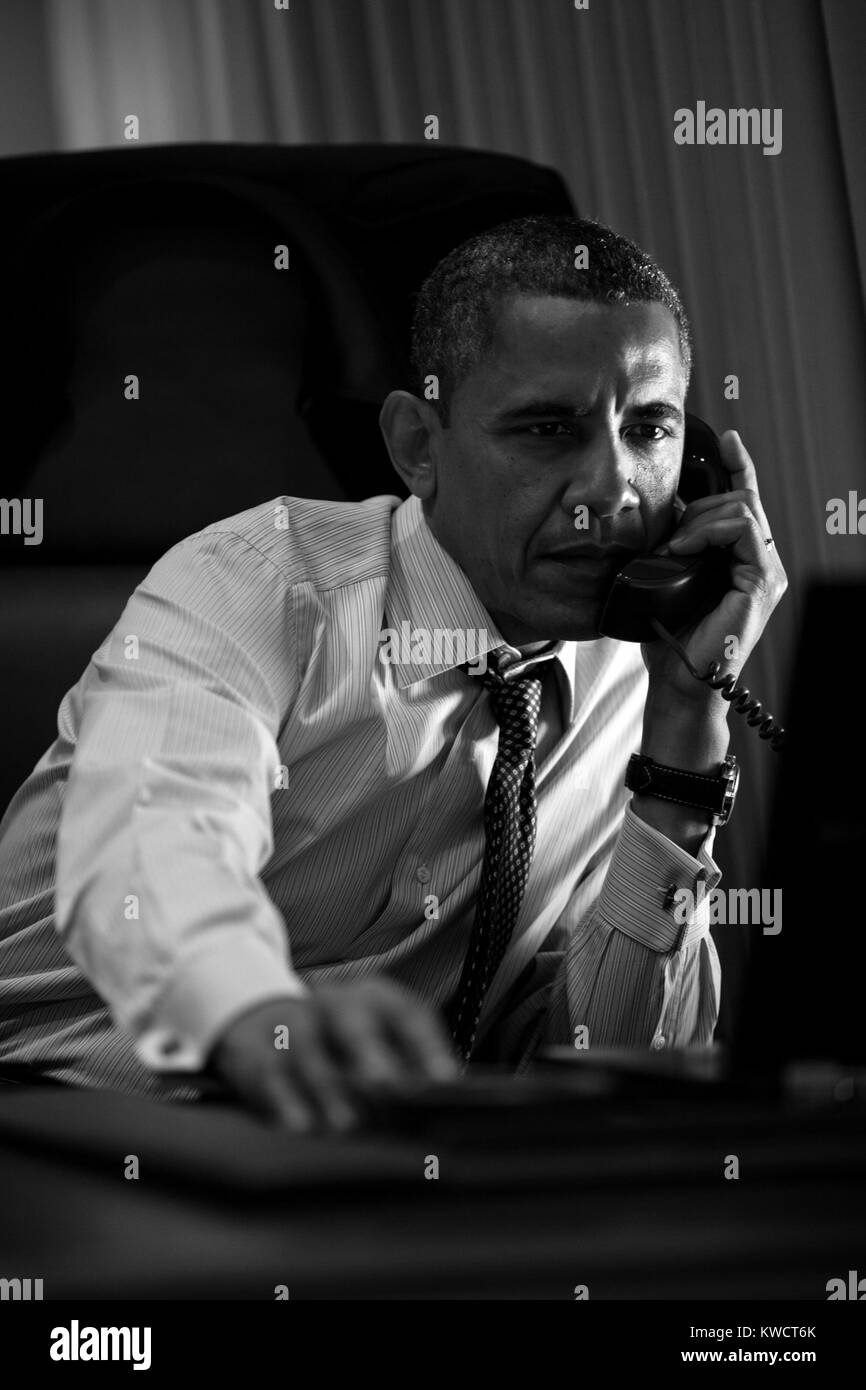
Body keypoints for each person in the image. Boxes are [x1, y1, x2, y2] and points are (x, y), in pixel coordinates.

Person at [0, 215, 786, 1132]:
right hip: (64, 1111)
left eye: (648, 428)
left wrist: (685, 743)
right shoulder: (261, 581)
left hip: (372, 1156)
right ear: (418, 444)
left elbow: (610, 1065)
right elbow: (159, 830)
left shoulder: (642, 672)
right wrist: (256, 1012)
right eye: (547, 429)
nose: (612, 490)